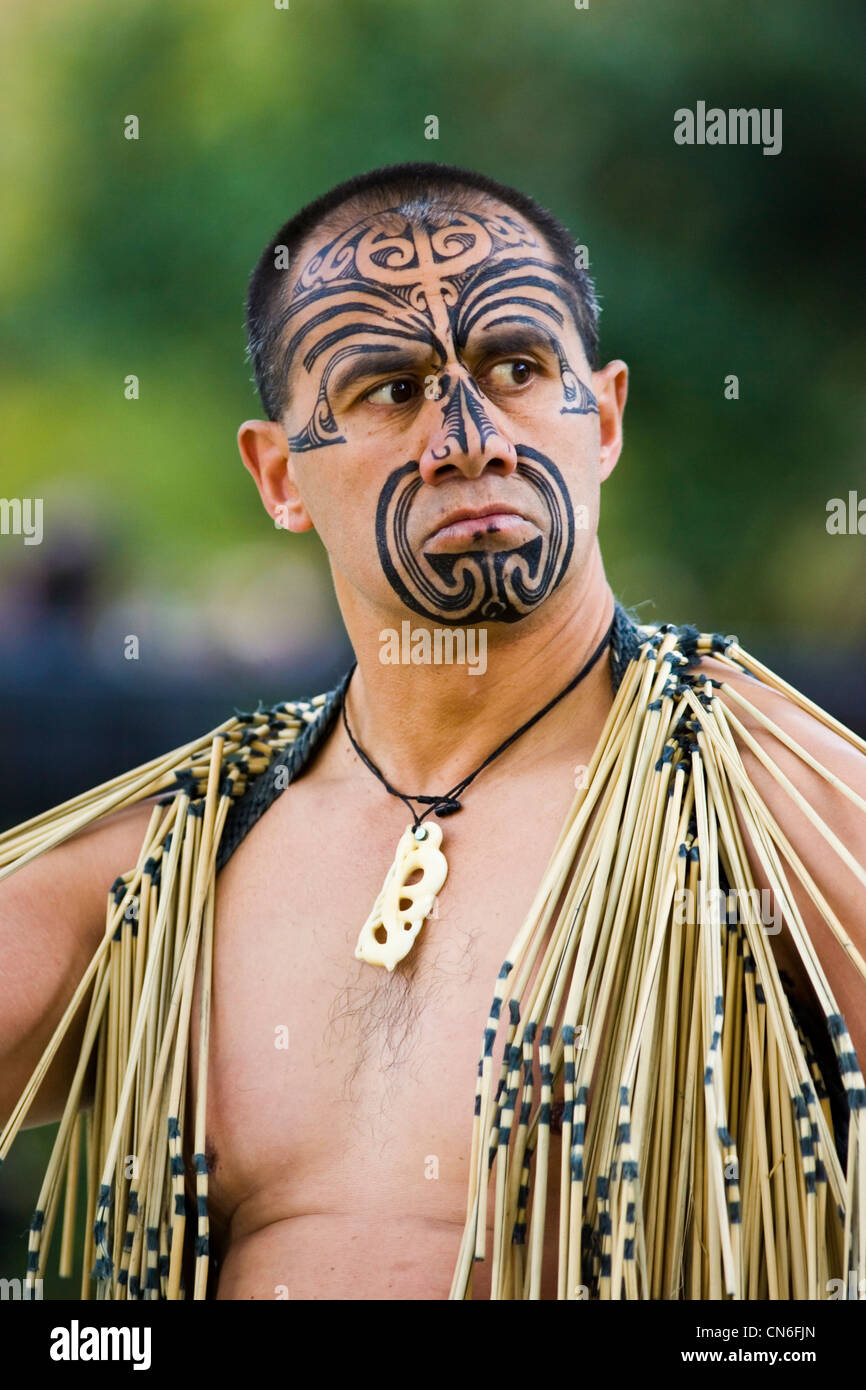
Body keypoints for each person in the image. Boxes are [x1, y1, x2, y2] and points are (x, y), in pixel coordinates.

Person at [1, 161, 865, 1302]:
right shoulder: (169, 868)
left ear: (599, 418)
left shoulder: (782, 804)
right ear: (279, 475)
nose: (468, 438)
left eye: (516, 369)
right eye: (387, 388)